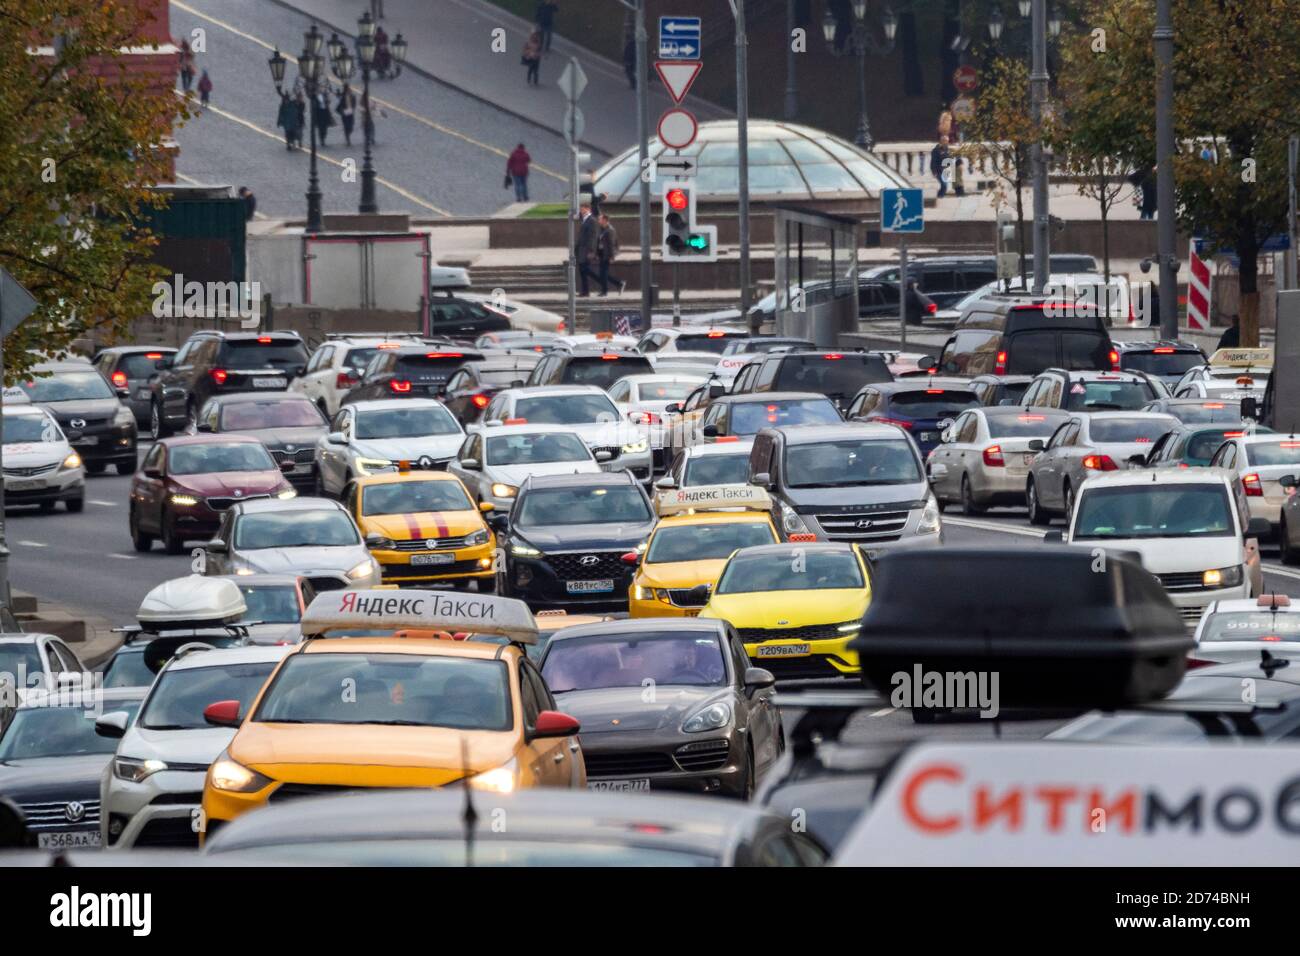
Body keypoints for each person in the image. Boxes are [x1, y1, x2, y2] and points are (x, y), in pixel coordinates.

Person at [597, 213, 625, 296]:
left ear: (605, 220)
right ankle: (619, 283)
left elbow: (611, 244)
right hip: (602, 254)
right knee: (603, 274)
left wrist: (612, 257)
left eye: (600, 219)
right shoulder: (602, 229)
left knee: (603, 273)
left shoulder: (610, 230)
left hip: (607, 255)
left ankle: (604, 291)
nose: (598, 221)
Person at [575, 204, 599, 297]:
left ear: (588, 209)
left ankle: (586, 291)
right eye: (581, 209)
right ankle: (585, 291)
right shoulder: (584, 220)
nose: (581, 211)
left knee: (585, 271)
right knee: (582, 272)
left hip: (586, 251)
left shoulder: (591, 221)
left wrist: (591, 251)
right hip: (581, 251)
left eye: (583, 209)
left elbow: (593, 237)